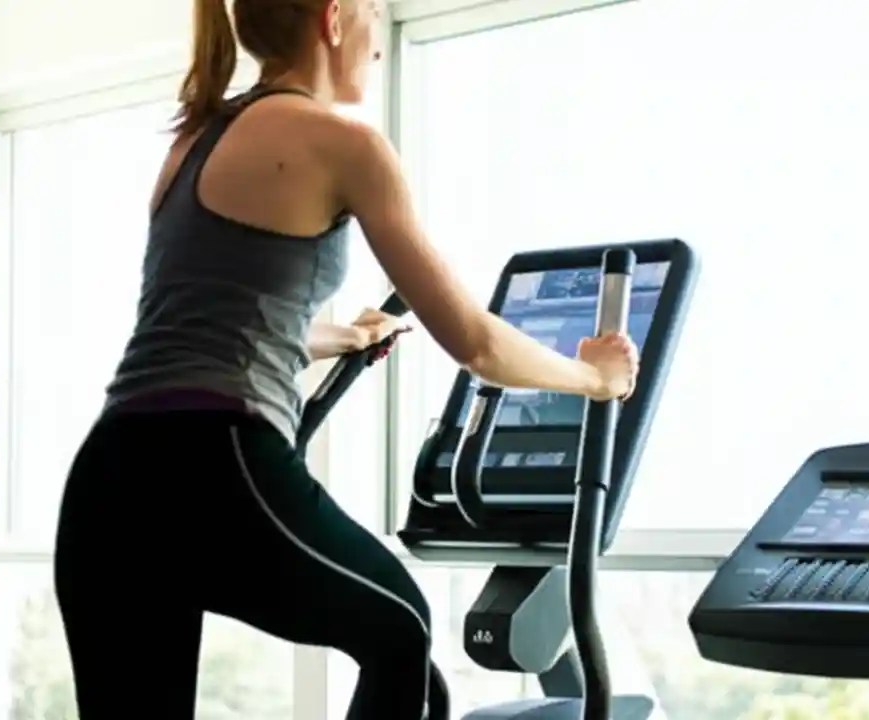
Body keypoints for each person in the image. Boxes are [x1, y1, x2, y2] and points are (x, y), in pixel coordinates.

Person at [50, 0, 640, 718]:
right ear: (334, 18)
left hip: (109, 480)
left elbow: (211, 323)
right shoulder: (343, 143)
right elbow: (476, 343)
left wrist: (341, 337)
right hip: (213, 464)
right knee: (400, 630)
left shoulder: (195, 139)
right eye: (374, 11)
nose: (380, 38)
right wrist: (595, 376)